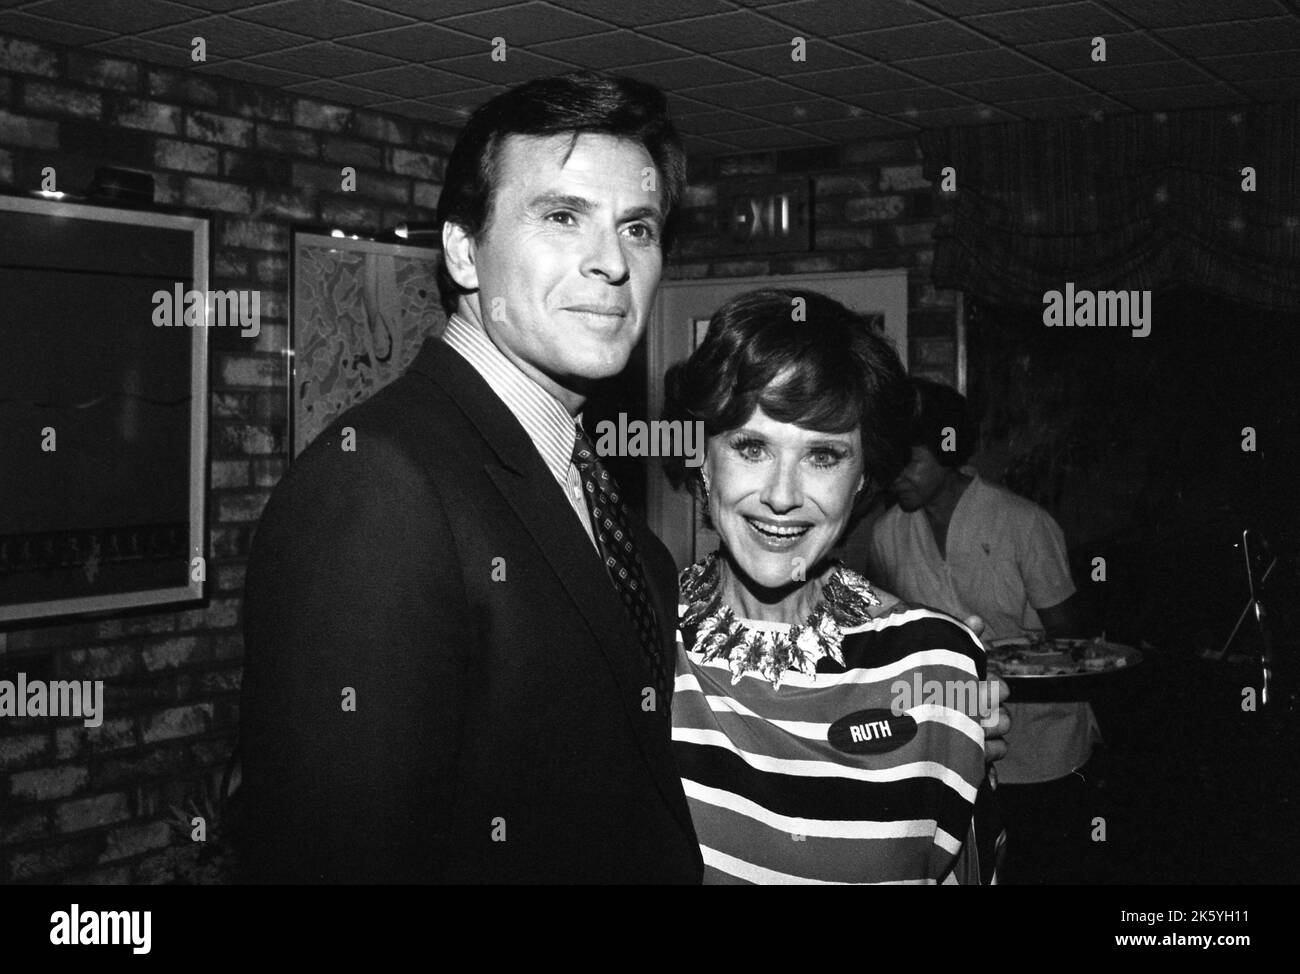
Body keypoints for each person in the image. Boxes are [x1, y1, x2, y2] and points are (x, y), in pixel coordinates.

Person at [239, 72, 702, 883]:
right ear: (462, 250)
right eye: (562, 217)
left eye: (638, 228)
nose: (612, 264)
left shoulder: (584, 480)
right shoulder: (380, 485)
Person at [662, 290, 1006, 884]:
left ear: (864, 474)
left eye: (823, 455)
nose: (782, 494)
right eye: (751, 446)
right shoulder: (631, 639)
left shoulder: (936, 666)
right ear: (702, 460)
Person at [867, 377, 1098, 884]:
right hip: (955, 749)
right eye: (890, 465)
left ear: (949, 452)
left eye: (912, 462)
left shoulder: (1023, 524)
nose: (896, 478)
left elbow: (1073, 644)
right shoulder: (888, 536)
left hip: (1043, 752)